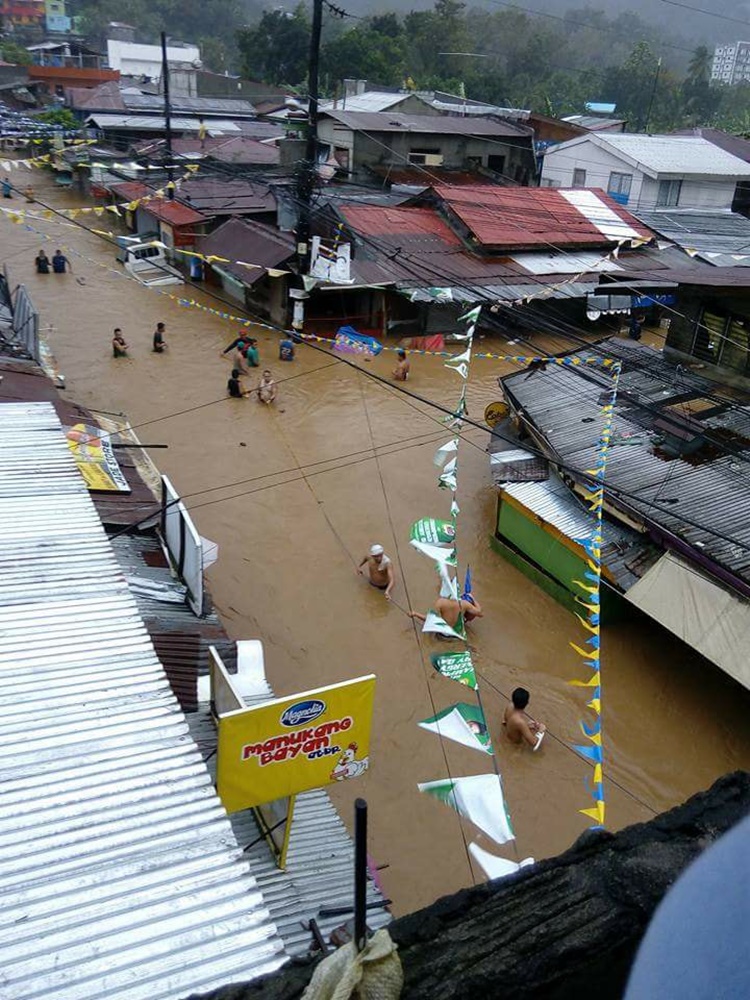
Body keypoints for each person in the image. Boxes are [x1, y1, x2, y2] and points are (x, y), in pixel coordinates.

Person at [409, 593, 483, 630]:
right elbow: (480, 613)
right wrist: (472, 597)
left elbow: (429, 619)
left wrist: (415, 614)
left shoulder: (441, 602)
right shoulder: (464, 604)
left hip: (443, 634)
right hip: (456, 635)